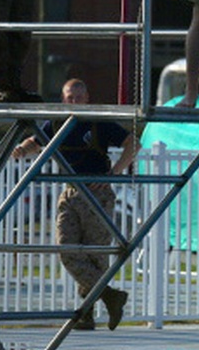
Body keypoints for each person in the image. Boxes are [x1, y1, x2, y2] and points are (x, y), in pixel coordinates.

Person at [12, 78, 138, 330]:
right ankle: (110, 295)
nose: (74, 102)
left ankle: (86, 312)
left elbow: (132, 142)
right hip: (70, 192)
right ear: (62, 99)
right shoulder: (57, 123)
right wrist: (22, 150)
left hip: (97, 194)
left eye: (79, 97)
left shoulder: (98, 123)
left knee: (95, 255)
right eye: (70, 97)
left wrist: (114, 172)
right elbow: (35, 141)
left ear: (87, 98)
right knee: (67, 249)